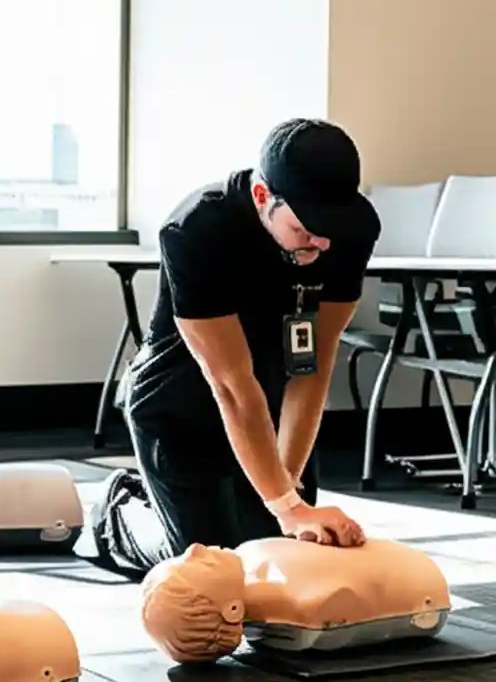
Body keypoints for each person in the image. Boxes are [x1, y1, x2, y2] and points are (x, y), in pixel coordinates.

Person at [92, 118, 382, 576]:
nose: (323, 243)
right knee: (212, 570)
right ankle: (118, 517)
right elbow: (229, 384)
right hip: (180, 401)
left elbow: (314, 364)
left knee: (281, 558)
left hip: (270, 393)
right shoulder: (197, 229)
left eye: (333, 228)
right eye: (306, 229)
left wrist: (284, 499)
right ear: (264, 198)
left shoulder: (351, 230)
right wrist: (286, 505)